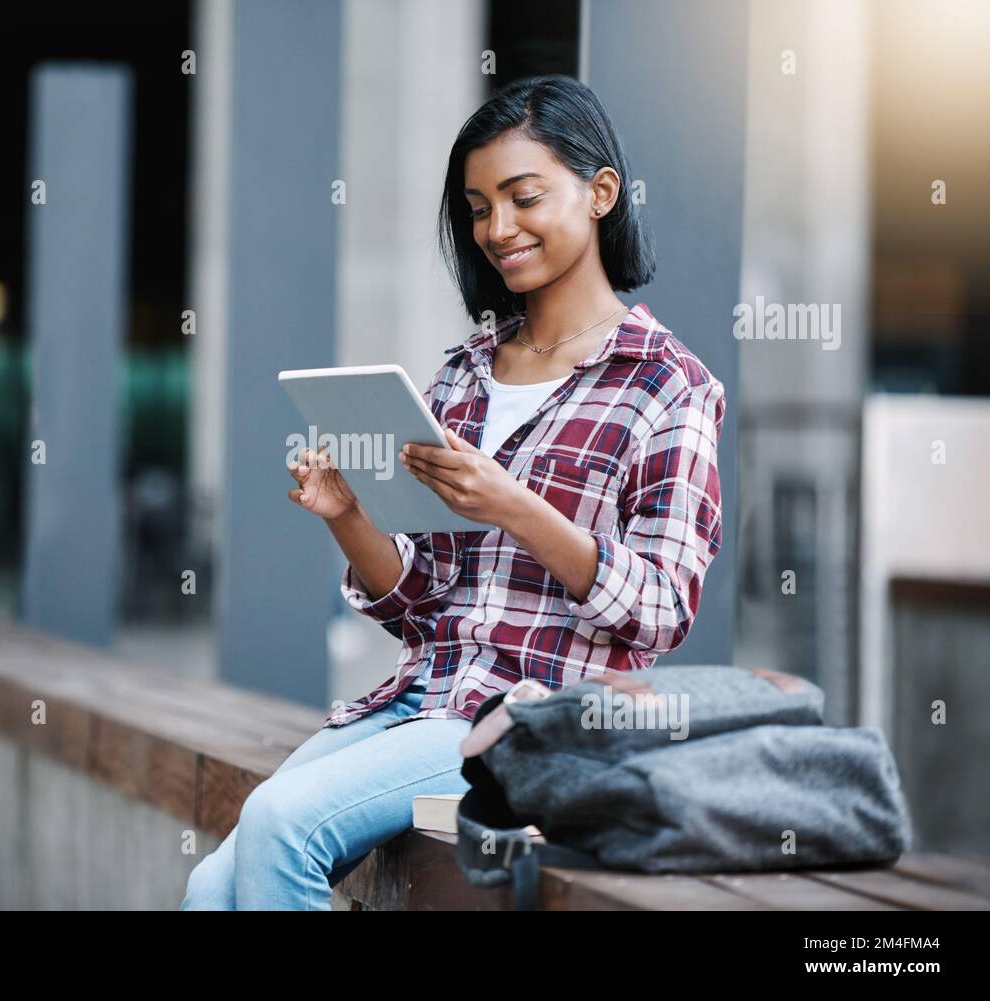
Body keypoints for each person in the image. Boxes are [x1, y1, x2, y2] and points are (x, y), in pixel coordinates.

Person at [181, 73, 725, 910]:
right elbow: (424, 602)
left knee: (285, 822)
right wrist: (349, 517)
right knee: (210, 880)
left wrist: (511, 502)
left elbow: (660, 610)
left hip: (535, 721)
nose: (497, 230)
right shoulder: (463, 375)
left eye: (523, 197)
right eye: (477, 207)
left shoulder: (667, 387)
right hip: (422, 700)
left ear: (601, 193)